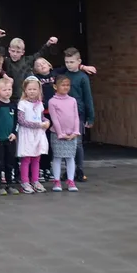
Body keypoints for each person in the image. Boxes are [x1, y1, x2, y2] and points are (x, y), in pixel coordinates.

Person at [60, 47, 95, 182]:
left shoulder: (82, 77)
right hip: (64, 113)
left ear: (78, 62)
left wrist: (90, 117)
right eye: (67, 62)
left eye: (72, 62)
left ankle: (79, 169)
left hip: (78, 113)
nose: (69, 65)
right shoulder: (64, 74)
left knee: (77, 143)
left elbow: (88, 98)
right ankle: (69, 170)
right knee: (65, 141)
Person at [46, 76, 81, 192]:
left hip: (72, 134)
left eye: (67, 85)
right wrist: (60, 133)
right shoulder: (52, 101)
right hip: (57, 134)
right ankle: (57, 180)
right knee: (57, 157)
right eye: (63, 85)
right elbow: (54, 119)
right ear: (55, 87)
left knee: (70, 157)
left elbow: (76, 116)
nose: (65, 87)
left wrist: (76, 131)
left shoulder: (72, 100)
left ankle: (71, 180)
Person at [16, 78, 50, 194]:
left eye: (34, 89)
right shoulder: (22, 104)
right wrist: (39, 124)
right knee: (26, 158)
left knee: (36, 158)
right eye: (29, 89)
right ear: (25, 90)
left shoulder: (40, 104)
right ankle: (25, 181)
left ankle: (35, 180)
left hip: (37, 134)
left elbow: (42, 117)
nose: (32, 91)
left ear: (39, 90)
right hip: (27, 133)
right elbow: (22, 121)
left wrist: (47, 121)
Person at [0, 77, 19, 195]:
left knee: (10, 162)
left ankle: (10, 184)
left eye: (9, 89)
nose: (7, 92)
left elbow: (16, 121)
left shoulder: (13, 105)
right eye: (4, 90)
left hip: (10, 138)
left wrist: (14, 133)